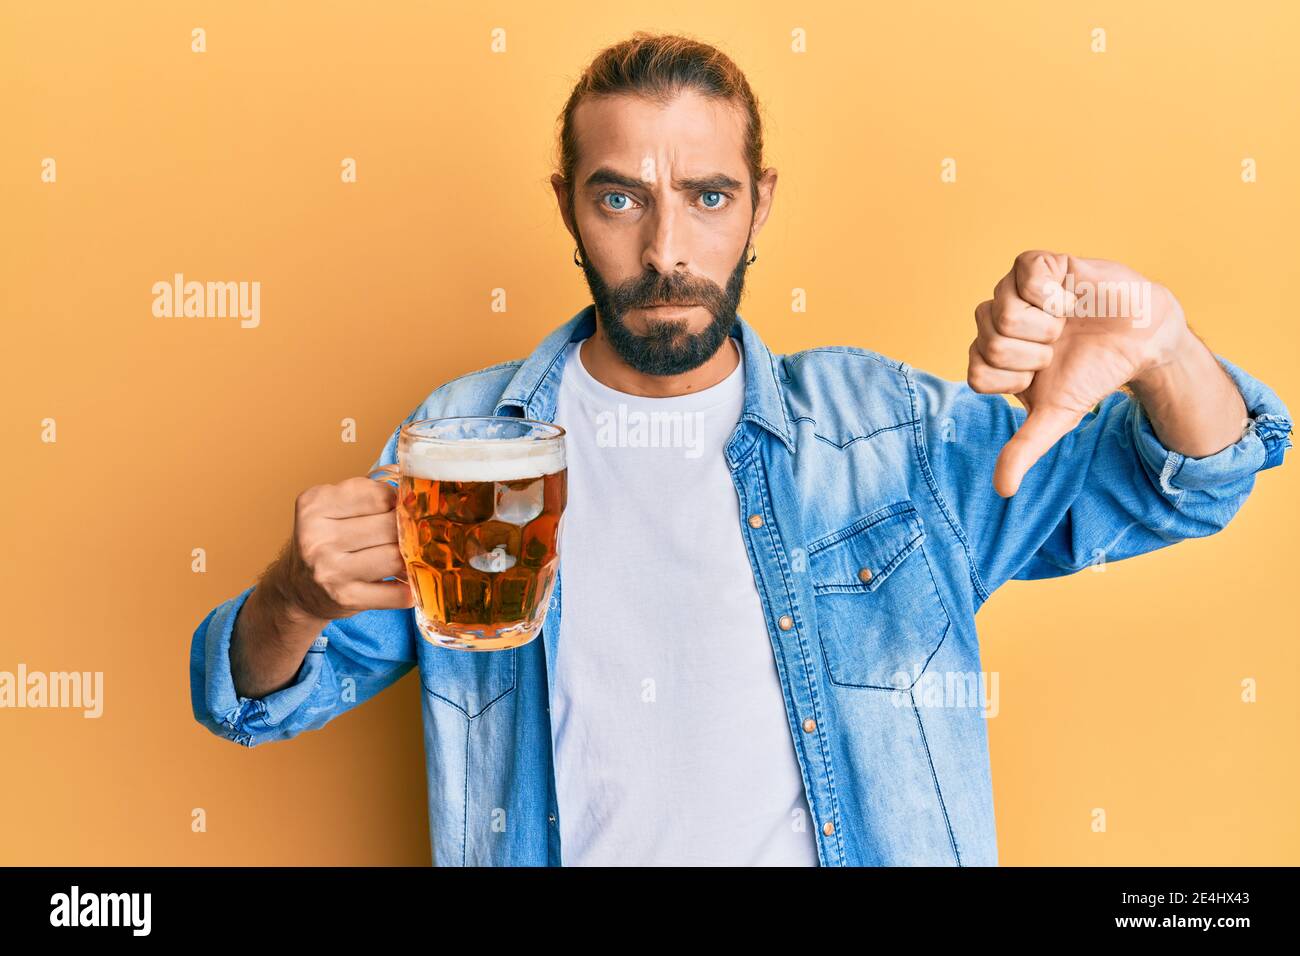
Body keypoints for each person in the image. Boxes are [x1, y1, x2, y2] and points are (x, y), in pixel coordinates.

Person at [189, 32, 1291, 866]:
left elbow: (1185, 484)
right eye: (619, 196)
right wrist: (290, 594)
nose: (665, 250)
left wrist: (1164, 348)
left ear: (758, 206)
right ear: (569, 210)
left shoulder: (888, 436)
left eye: (706, 196)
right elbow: (259, 698)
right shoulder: (464, 445)